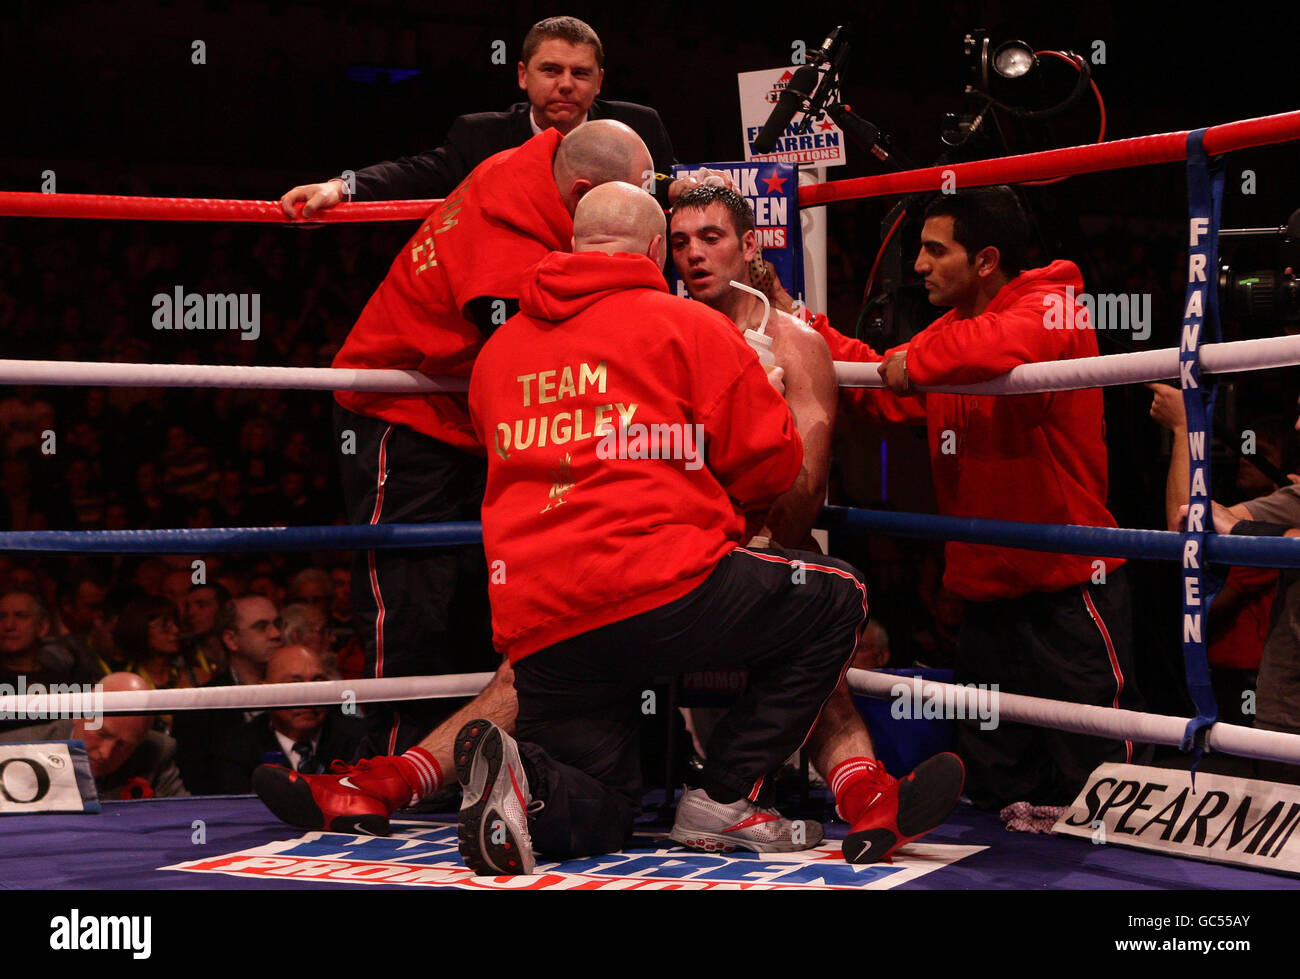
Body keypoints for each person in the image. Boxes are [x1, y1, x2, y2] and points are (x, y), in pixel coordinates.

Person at [254, 187, 963, 863]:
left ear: (750, 247)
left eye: (711, 237)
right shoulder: (687, 327)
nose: (694, 254)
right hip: (671, 580)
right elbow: (773, 471)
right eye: (681, 240)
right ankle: (723, 796)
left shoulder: (501, 351)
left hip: (542, 606)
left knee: (602, 801)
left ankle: (522, 783)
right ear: (656, 248)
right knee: (833, 596)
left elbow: (523, 448)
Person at [813, 186, 1148, 809]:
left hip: (1067, 582)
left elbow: (994, 347)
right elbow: (887, 386)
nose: (918, 266)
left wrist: (918, 358)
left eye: (936, 250)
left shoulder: (1054, 307)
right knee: (1002, 791)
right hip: (985, 596)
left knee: (1103, 789)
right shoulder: (952, 332)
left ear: (986, 259)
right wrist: (805, 329)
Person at [328, 118, 655, 756]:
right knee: (412, 594)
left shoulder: (528, 168)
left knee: (483, 591)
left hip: (466, 421)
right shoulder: (506, 246)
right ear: (582, 190)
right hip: (400, 411)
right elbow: (536, 357)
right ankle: (382, 758)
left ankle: (461, 756)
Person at [279, 16, 679, 216]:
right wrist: (341, 187)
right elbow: (416, 172)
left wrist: (710, 184)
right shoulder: (482, 135)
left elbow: (674, 188)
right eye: (551, 70)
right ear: (522, 75)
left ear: (599, 82)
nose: (566, 84)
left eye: (580, 73)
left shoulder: (639, 127)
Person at [1149, 384, 1300, 782]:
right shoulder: (1296, 498)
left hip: (1265, 681)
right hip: (1287, 700)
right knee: (1281, 830)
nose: (1299, 425)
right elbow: (1185, 521)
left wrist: (1245, 529)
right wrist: (1185, 430)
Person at [0, 672, 188, 799]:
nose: (106, 753)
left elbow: (184, 820)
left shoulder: (157, 752)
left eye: (124, 745)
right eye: (101, 734)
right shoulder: (13, 749)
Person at [211, 646, 368, 793]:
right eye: (295, 685)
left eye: (317, 682)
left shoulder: (359, 739)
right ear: (265, 691)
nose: (309, 697)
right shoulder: (238, 748)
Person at [172, 594, 283, 794]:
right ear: (231, 640)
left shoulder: (302, 692)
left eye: (277, 624)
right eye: (261, 627)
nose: (276, 634)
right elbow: (196, 783)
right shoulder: (199, 709)